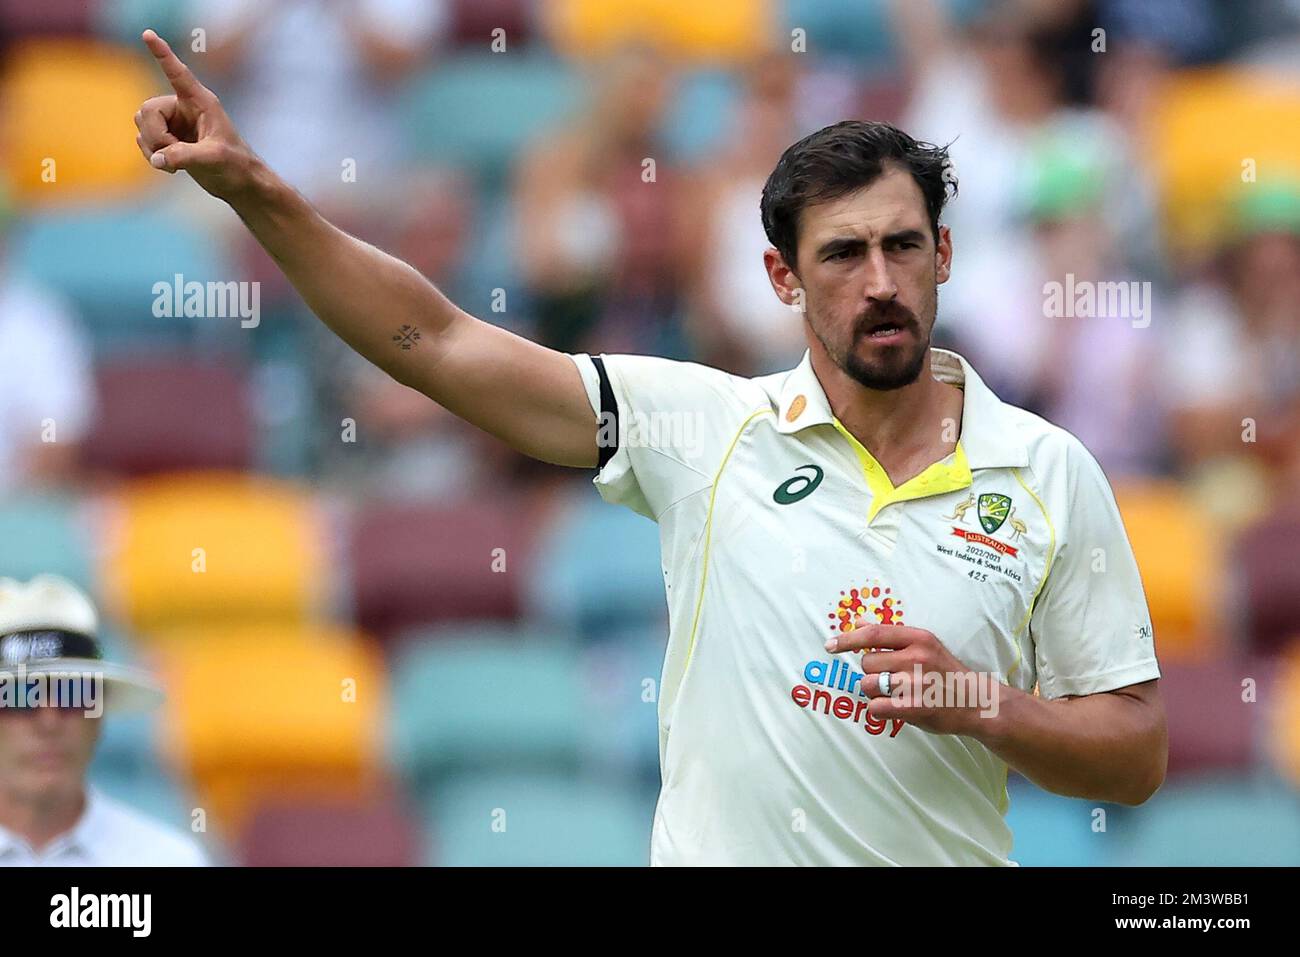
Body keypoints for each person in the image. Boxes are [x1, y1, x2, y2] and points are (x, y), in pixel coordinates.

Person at [133, 31, 1166, 866]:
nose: (880, 282)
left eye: (902, 246)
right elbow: (441, 343)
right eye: (842, 254)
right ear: (782, 279)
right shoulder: (705, 426)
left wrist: (984, 704)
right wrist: (257, 189)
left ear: (943, 253)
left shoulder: (1045, 471)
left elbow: (1133, 754)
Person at [0, 575, 207, 866]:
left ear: (99, 715)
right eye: (17, 694)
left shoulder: (168, 860)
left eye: (74, 692)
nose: (49, 720)